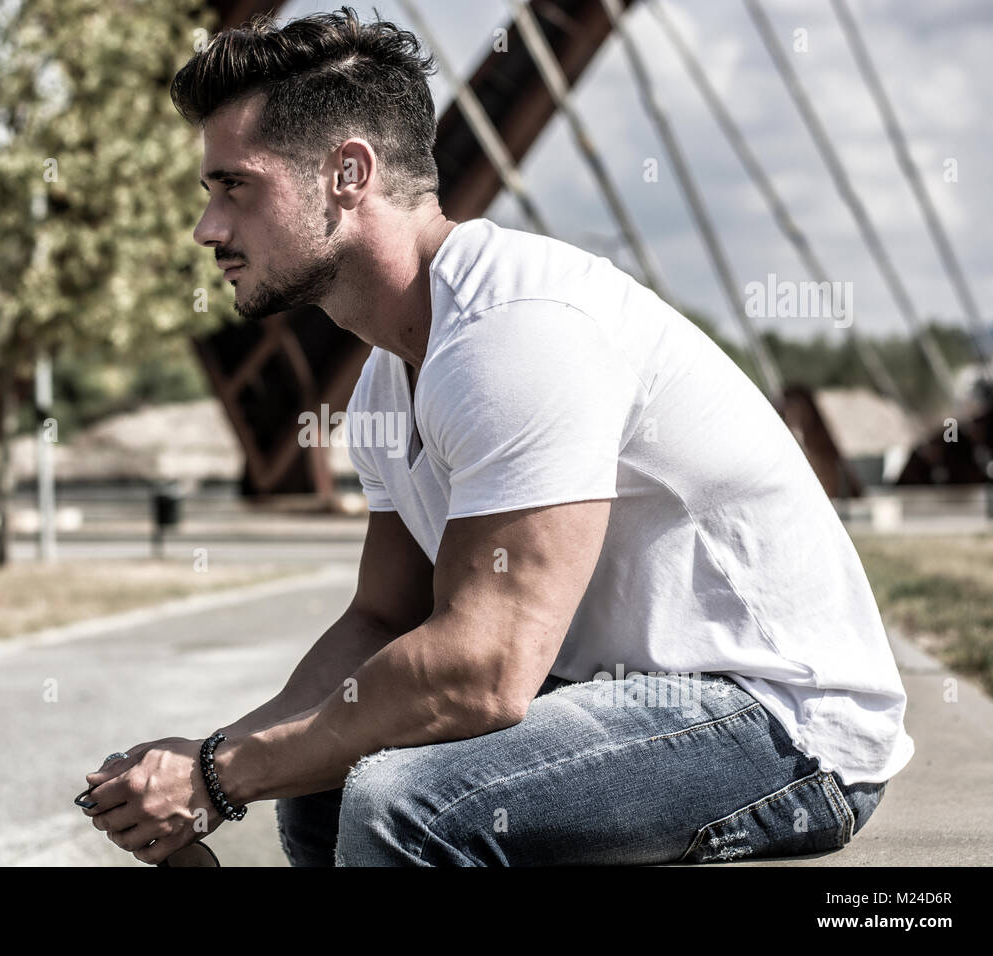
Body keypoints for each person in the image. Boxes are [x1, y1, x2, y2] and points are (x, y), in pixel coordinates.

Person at [80, 7, 912, 866]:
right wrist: (205, 762)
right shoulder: (384, 378)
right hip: (624, 695)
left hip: (781, 722)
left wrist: (221, 777)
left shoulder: (516, 329)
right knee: (319, 789)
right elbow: (381, 618)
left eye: (235, 187)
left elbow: (484, 667)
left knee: (404, 805)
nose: (207, 230)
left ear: (346, 173)